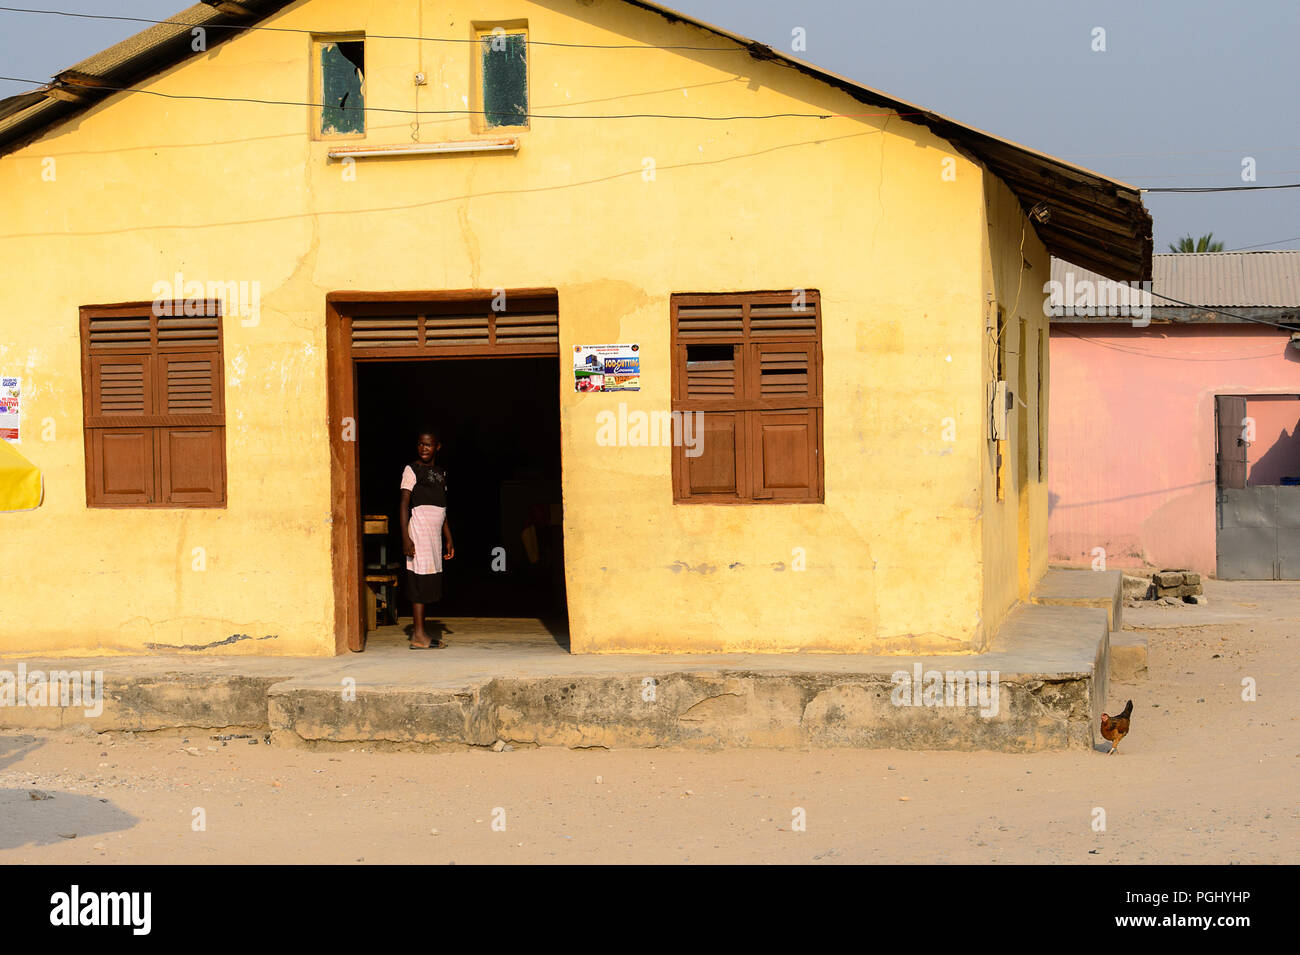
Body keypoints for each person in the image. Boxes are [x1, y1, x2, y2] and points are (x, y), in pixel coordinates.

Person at [399, 428, 455, 649]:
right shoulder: (412, 469)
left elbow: (442, 507)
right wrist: (405, 537)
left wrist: (448, 537)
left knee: (429, 578)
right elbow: (404, 503)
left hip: (435, 534)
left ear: (437, 447)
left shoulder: (441, 473)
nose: (424, 448)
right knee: (419, 579)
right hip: (419, 531)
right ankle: (418, 635)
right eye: (421, 444)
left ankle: (421, 632)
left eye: (429, 444)